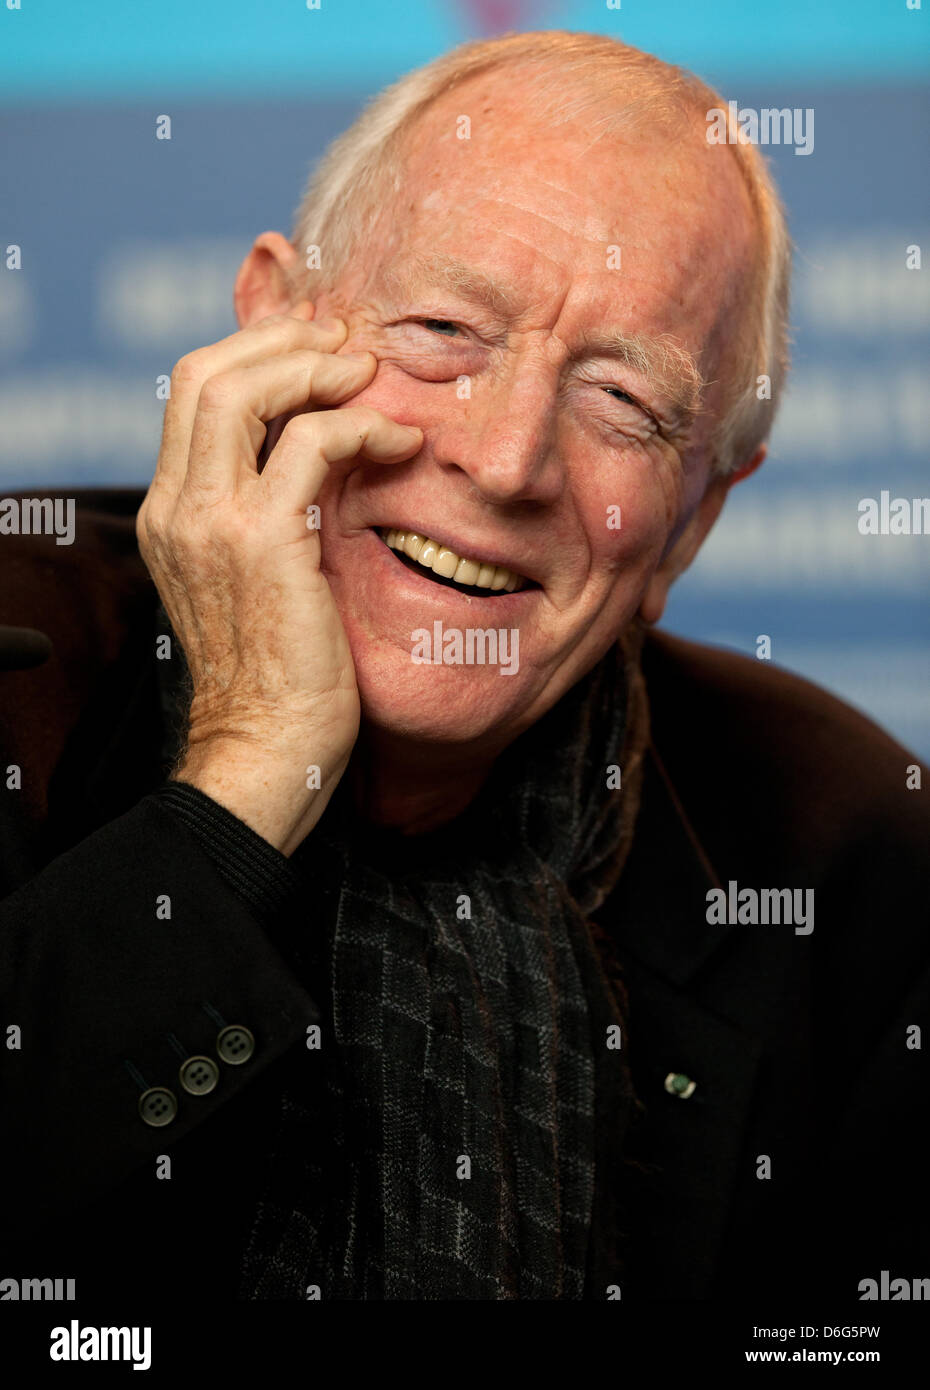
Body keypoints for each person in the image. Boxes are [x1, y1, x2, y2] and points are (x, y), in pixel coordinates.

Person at [1, 31, 926, 1302]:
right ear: (271, 322)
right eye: (443, 328)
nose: (504, 461)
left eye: (623, 403)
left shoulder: (850, 850)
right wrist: (252, 764)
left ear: (697, 518)